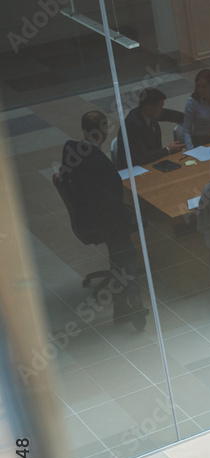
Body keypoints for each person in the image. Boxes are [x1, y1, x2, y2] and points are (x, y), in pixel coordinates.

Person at [59, 110, 146, 325]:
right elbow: (114, 204)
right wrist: (132, 216)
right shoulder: (103, 165)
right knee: (127, 255)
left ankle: (121, 308)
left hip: (86, 218)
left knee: (118, 257)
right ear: (104, 131)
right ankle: (135, 304)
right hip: (106, 220)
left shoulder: (70, 149)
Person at [115, 88, 185, 168]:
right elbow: (143, 156)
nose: (162, 109)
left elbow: (170, 115)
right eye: (161, 106)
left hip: (151, 163)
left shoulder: (147, 112)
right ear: (149, 108)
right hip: (135, 169)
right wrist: (167, 150)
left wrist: (190, 118)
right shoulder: (133, 125)